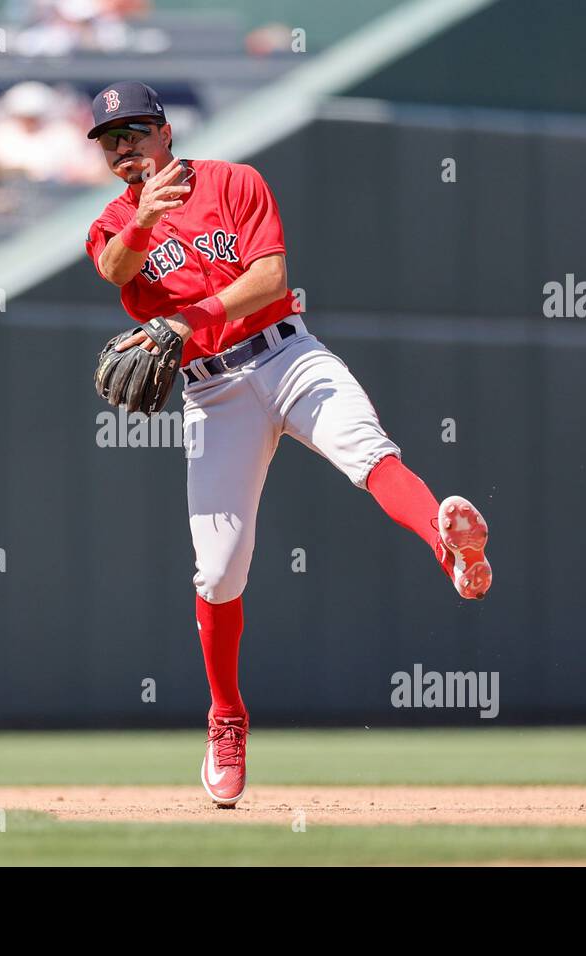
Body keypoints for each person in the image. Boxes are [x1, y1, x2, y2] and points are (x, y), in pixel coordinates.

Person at [83, 81, 494, 808]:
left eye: (135, 131)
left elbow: (270, 277)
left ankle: (448, 544)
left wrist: (188, 320)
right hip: (213, 392)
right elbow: (115, 269)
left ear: (166, 131)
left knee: (368, 450)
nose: (124, 147)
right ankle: (226, 717)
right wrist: (143, 220)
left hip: (286, 354)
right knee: (218, 570)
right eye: (110, 139)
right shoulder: (113, 222)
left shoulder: (234, 182)